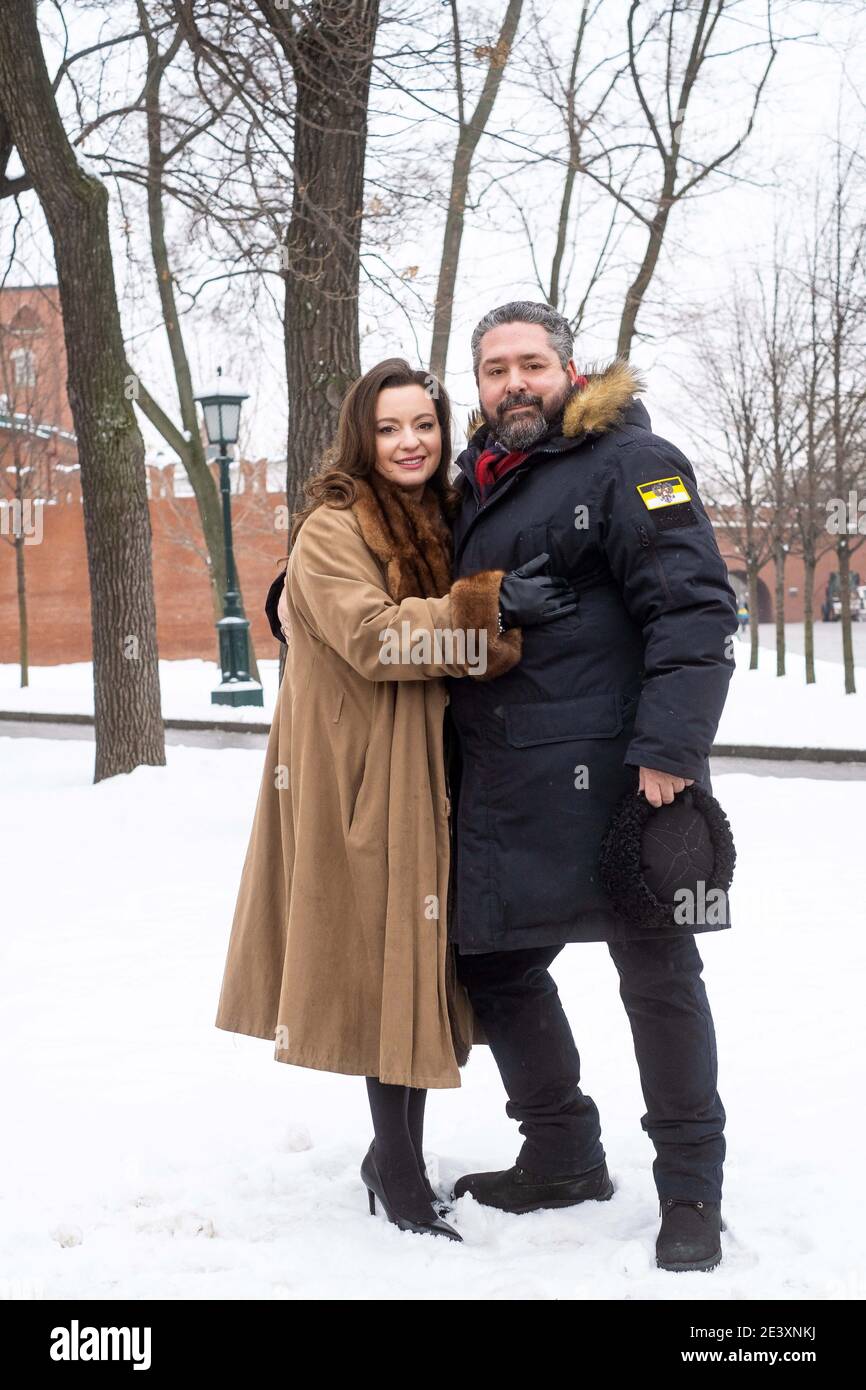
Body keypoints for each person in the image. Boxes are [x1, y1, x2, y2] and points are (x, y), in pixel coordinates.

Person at [214, 358, 573, 1242]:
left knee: (420, 971)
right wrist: (486, 611)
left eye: (424, 424)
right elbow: (374, 638)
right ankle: (400, 1171)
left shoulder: (445, 515)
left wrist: (494, 624)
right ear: (361, 437)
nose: (410, 442)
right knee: (389, 972)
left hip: (441, 768)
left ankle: (403, 1158)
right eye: (389, 427)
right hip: (364, 772)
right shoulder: (335, 524)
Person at [444, 302, 739, 1273]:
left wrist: (670, 752)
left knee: (656, 979)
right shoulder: (475, 483)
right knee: (491, 963)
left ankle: (690, 1188)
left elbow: (692, 607)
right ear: (478, 386)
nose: (512, 383)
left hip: (622, 779)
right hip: (503, 786)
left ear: (569, 370)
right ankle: (562, 1151)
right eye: (494, 370)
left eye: (530, 363)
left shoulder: (625, 462)